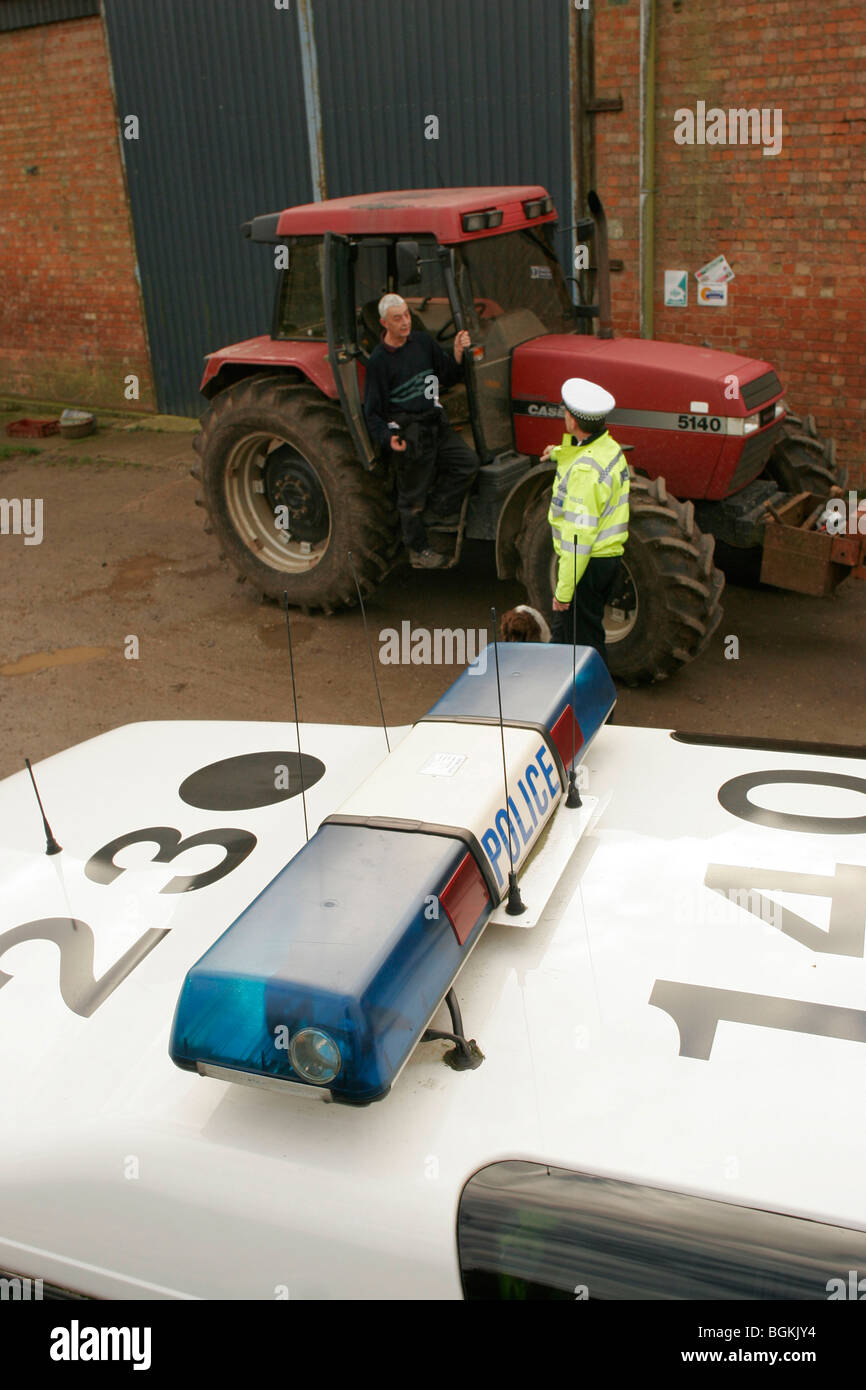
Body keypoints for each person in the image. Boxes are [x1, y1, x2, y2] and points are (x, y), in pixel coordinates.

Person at [363, 293, 480, 569]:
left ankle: (436, 514)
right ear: (384, 323)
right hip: (410, 432)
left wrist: (459, 353)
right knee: (411, 499)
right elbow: (373, 412)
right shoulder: (379, 361)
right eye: (397, 319)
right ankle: (419, 550)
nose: (405, 322)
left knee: (468, 464)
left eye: (406, 315)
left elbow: (448, 375)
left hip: (436, 423)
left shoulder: (423, 343)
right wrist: (389, 438)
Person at [541, 377, 629, 668]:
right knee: (569, 636)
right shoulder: (610, 447)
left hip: (586, 564)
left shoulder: (583, 473)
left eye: (566, 412)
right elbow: (586, 454)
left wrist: (563, 593)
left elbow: (577, 540)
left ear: (573, 421)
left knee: (585, 643)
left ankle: (598, 702)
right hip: (607, 559)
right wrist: (558, 452)